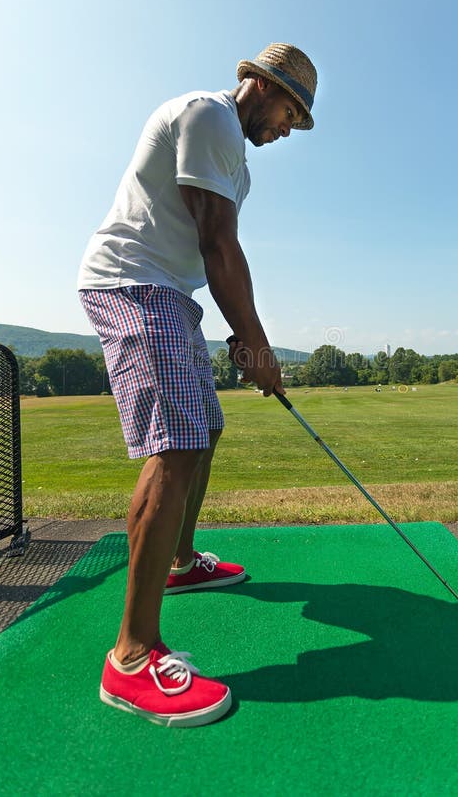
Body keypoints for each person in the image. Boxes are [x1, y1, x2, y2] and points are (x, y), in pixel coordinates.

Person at [77, 43, 317, 727]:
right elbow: (218, 245)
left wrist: (245, 339)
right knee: (176, 445)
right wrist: (257, 343)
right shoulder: (208, 116)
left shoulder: (238, 165)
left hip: (170, 293)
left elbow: (216, 249)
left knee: (205, 427)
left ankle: (178, 561)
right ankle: (131, 656)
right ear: (268, 90)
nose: (284, 134)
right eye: (289, 119)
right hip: (132, 281)